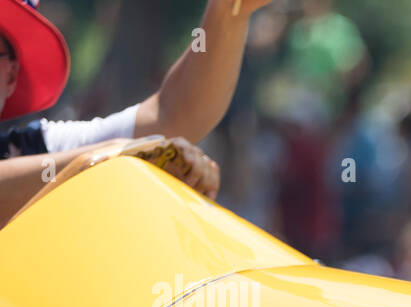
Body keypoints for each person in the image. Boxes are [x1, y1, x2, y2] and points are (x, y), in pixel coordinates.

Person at [0, 0, 275, 223]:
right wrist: (110, 160)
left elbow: (171, 117)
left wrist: (227, 12)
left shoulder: (38, 147)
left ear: (11, 75)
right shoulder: (69, 159)